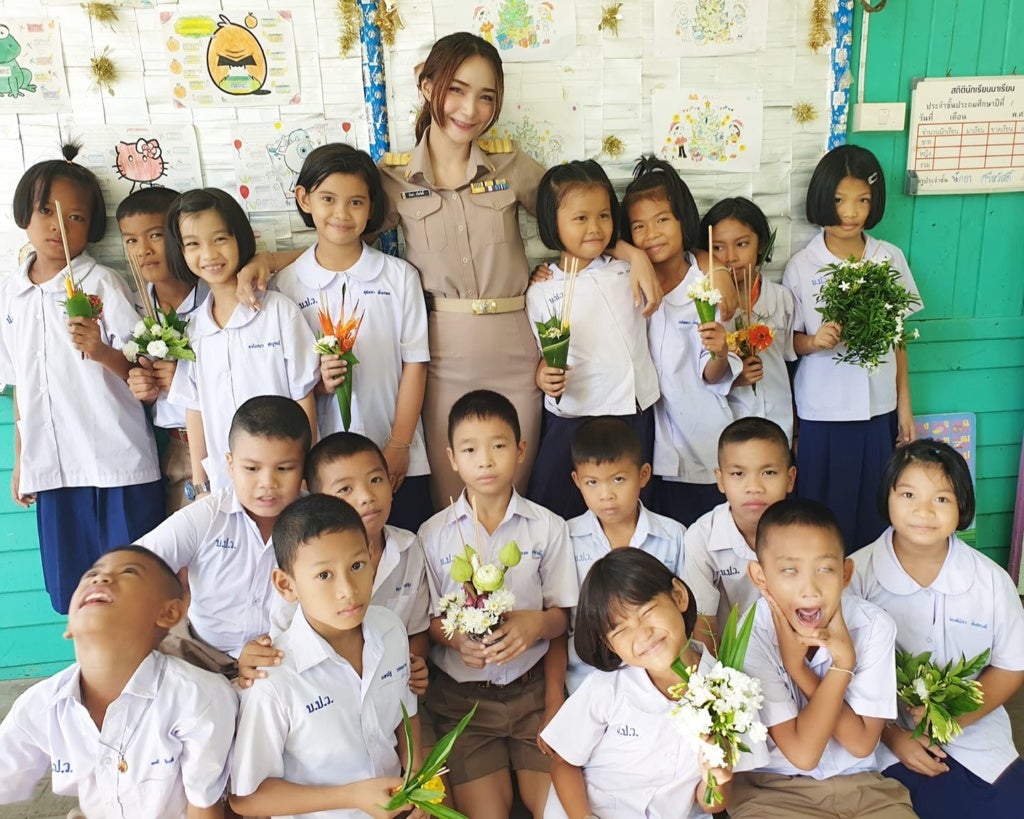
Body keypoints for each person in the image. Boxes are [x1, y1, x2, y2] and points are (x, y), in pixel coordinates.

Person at [375, 32, 661, 508]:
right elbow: (339, 237)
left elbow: (575, 216)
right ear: (426, 86)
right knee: (455, 498)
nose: (471, 109)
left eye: (486, 97)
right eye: (457, 90)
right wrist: (265, 261)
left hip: (517, 351)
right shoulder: (394, 177)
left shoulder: (511, 163)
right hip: (442, 354)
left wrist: (633, 254)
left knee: (519, 492)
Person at [0, 143, 164, 613]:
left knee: (136, 587)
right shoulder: (11, 297)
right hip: (54, 469)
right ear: (23, 216)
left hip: (117, 464)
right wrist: (21, 460)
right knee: (74, 592)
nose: (59, 226)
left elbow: (142, 371)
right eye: (46, 212)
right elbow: (20, 389)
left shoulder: (102, 284)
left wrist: (99, 350)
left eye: (75, 217)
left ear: (92, 225)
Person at [418, 389, 577, 818]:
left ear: (521, 450)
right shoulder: (432, 536)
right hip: (465, 704)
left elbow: (562, 619)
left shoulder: (547, 528)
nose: (485, 460)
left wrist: (536, 627)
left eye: (499, 446)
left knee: (556, 810)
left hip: (533, 696)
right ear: (451, 458)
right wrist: (456, 643)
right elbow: (430, 622)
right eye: (470, 449)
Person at [849, 440, 1024, 817]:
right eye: (909, 494)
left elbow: (1010, 667)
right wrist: (894, 737)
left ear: (962, 505)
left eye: (942, 499)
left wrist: (952, 720)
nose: (924, 511)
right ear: (888, 497)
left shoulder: (992, 581)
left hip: (974, 728)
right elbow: (838, 672)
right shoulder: (854, 574)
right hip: (879, 731)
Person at [0, 546, 237, 818]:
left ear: (169, 613)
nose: (100, 579)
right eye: (91, 574)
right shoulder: (40, 706)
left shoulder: (198, 697)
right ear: (69, 627)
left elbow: (204, 809)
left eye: (128, 572)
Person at [229, 494, 421, 818]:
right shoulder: (272, 677)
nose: (347, 589)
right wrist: (352, 797)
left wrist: (416, 778)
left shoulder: (390, 630)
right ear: (286, 585)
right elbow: (247, 799)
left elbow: (405, 713)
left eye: (357, 566)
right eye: (324, 575)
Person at [274, 143, 433, 530]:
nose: (341, 214)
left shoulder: (399, 277)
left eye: (356, 202)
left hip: (394, 454)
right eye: (328, 199)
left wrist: (399, 445)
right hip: (327, 464)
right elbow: (287, 378)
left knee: (402, 551)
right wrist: (320, 385)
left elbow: (415, 363)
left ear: (372, 207)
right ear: (304, 199)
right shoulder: (286, 286)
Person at [541, 548, 765, 817]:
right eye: (620, 630)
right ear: (609, 644)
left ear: (679, 596)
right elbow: (564, 762)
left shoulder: (729, 693)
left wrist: (716, 777)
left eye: (646, 612)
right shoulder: (605, 687)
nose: (642, 635)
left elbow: (713, 803)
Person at [730, 499, 916, 818]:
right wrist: (831, 667)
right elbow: (804, 754)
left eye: (825, 569)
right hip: (774, 792)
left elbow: (860, 744)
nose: (810, 589)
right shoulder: (751, 634)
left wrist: (807, 670)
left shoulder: (873, 627)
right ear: (759, 577)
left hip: (865, 789)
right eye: (790, 570)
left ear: (845, 573)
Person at [783, 145, 923, 553]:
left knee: (874, 515)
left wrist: (905, 408)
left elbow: (898, 338)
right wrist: (814, 341)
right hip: (822, 414)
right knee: (823, 518)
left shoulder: (888, 257)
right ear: (822, 199)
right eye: (840, 200)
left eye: (862, 201)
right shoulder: (802, 265)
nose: (850, 212)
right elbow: (788, 343)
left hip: (877, 411)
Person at [236, 432, 432, 697]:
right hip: (322, 694)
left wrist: (413, 663)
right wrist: (252, 657)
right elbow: (281, 644)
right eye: (345, 489)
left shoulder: (410, 549)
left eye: (376, 480)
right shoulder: (303, 563)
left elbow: (417, 631)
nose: (366, 497)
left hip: (389, 691)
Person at [526, 159, 660, 520]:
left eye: (604, 215)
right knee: (559, 513)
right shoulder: (541, 288)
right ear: (552, 223)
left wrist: (634, 253)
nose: (595, 227)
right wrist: (543, 375)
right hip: (573, 418)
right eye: (580, 218)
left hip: (630, 413)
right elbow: (542, 352)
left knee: (629, 511)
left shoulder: (627, 269)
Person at [139, 396, 310, 677]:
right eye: (251, 468)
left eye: (284, 468)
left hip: (280, 660)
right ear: (230, 465)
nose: (267, 482)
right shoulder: (206, 517)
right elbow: (137, 565)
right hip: (198, 655)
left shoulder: (316, 524)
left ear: (303, 467)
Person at [164, 187, 318, 493]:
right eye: (193, 244)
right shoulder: (194, 327)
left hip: (283, 476)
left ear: (240, 238)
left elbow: (304, 396)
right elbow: (194, 407)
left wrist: (303, 470)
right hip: (225, 480)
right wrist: (199, 480)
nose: (208, 254)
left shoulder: (278, 312)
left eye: (220, 239)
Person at [624, 156, 740, 526]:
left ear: (682, 221)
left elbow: (715, 375)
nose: (651, 234)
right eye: (639, 226)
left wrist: (720, 351)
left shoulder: (705, 283)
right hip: (648, 450)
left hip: (701, 445)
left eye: (662, 220)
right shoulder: (625, 279)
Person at [564, 415, 686, 693]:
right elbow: (561, 627)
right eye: (592, 483)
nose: (606, 494)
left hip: (663, 682)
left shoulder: (673, 536)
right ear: (577, 481)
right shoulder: (566, 538)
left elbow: (687, 613)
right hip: (587, 683)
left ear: (643, 475)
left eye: (618, 479)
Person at [119, 186, 210, 515]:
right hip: (173, 448)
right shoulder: (133, 307)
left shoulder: (217, 296)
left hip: (225, 439)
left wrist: (185, 379)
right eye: (131, 240)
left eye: (155, 235)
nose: (142, 251)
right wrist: (142, 390)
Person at [682, 417, 796, 653]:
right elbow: (704, 628)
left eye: (769, 473)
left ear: (790, 478)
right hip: (729, 661)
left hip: (792, 654)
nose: (754, 487)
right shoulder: (702, 538)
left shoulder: (806, 534)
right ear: (720, 480)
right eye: (737, 474)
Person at [701, 197, 796, 442]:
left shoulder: (781, 298)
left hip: (779, 419)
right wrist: (736, 378)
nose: (730, 257)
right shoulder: (706, 306)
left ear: (761, 245)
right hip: (730, 426)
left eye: (742, 244)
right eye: (718, 247)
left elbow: (789, 361)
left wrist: (796, 429)